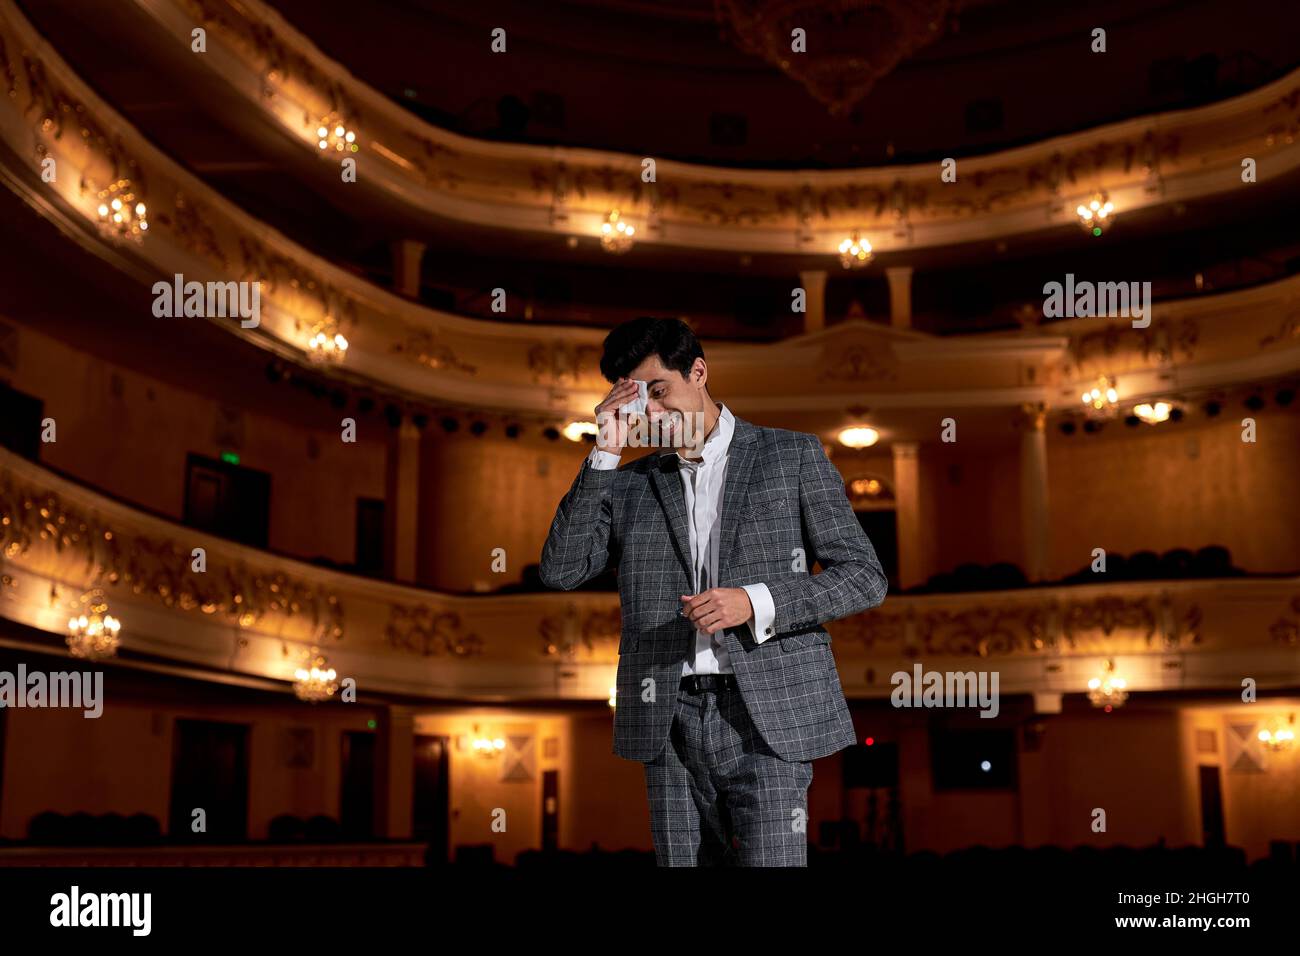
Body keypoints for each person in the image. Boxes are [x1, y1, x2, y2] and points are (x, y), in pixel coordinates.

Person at [540, 316, 887, 866]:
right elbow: (560, 569)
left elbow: (865, 576)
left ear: (697, 371)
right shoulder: (628, 483)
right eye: (636, 401)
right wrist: (604, 452)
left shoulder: (791, 456)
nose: (651, 413)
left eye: (659, 391)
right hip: (666, 717)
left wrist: (756, 601)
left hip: (769, 718)